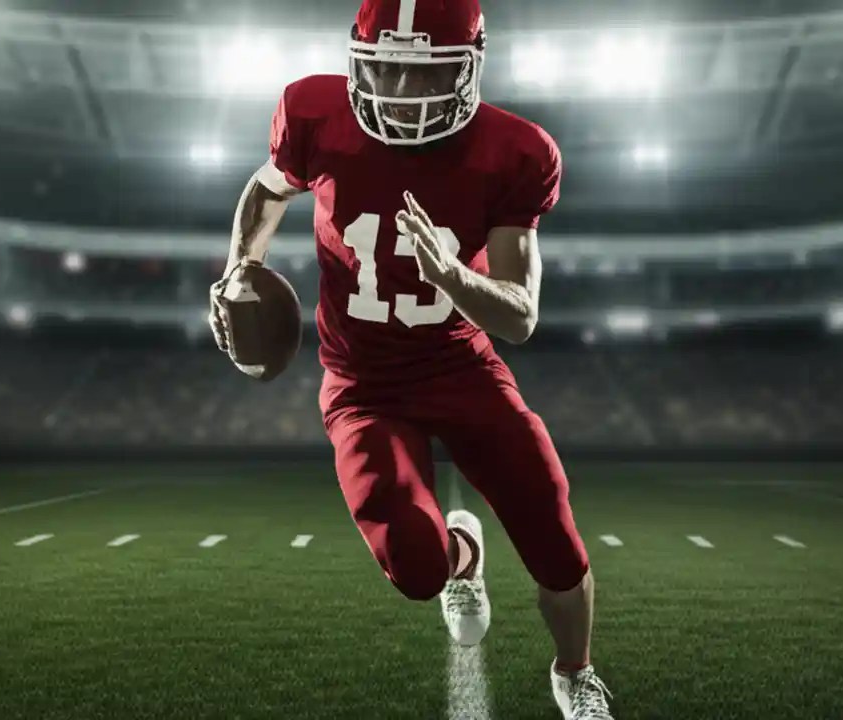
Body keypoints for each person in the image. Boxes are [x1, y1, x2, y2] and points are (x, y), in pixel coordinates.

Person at [210, 1, 614, 717]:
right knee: (416, 566)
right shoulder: (313, 113)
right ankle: (463, 554)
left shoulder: (515, 152)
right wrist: (241, 264)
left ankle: (574, 673)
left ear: (470, 69)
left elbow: (520, 315)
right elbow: (268, 190)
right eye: (384, 67)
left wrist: (456, 278)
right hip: (363, 384)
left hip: (462, 366)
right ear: (357, 59)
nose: (399, 90)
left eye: (423, 74)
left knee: (554, 534)